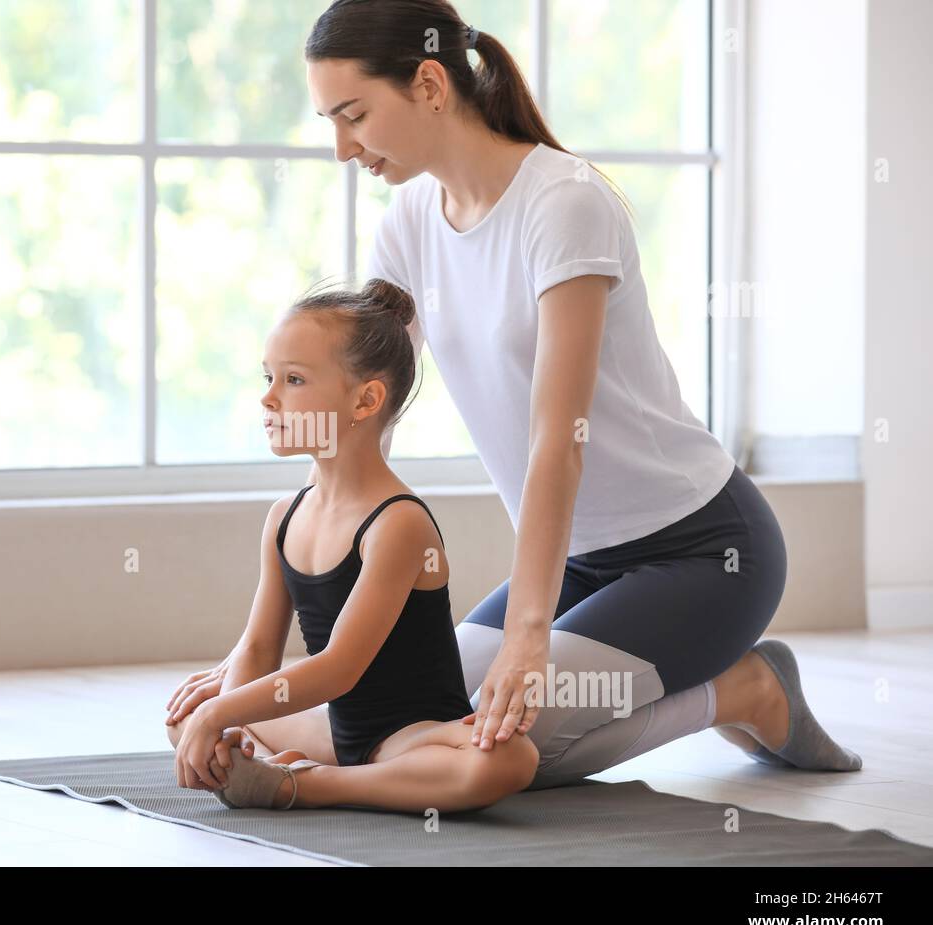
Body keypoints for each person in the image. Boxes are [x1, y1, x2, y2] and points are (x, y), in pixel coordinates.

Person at [167, 0, 861, 794]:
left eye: (354, 116)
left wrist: (529, 634)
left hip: (699, 552)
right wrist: (254, 654)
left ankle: (745, 690)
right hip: (576, 560)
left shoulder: (563, 205)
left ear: (429, 83)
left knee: (519, 743)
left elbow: (554, 437)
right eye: (330, 120)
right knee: (414, 715)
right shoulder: (410, 222)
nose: (340, 147)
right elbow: (366, 408)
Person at [167, 278, 539, 812]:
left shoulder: (398, 523)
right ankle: (283, 767)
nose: (268, 397)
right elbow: (256, 652)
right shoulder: (283, 520)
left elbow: (341, 666)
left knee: (510, 760)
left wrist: (221, 719)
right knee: (185, 714)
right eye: (268, 377)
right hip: (331, 727)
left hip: (409, 738)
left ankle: (302, 784)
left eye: (293, 380)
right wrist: (219, 716)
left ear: (365, 400)